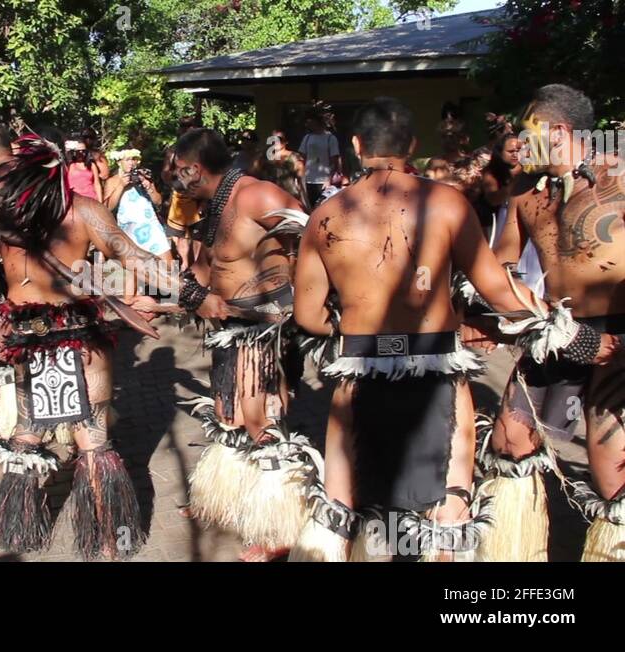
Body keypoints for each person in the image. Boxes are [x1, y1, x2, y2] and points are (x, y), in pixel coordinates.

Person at [290, 97, 572, 562]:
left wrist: (350, 323)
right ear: (413, 146)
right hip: (437, 370)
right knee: (447, 515)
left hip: (360, 368)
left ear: (357, 145)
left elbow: (308, 316)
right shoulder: (446, 204)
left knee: (346, 513)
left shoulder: (326, 216)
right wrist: (563, 326)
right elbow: (500, 292)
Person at [0, 133, 174, 560]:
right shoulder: (83, 212)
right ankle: (109, 540)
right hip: (80, 337)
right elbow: (133, 257)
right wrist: (188, 292)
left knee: (28, 433)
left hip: (29, 339)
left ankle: (19, 531)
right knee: (93, 438)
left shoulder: (2, 222)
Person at [478, 84, 625, 562]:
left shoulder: (618, 178)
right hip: (552, 334)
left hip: (616, 338)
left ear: (559, 131)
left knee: (612, 470)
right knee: (512, 441)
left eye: (527, 132)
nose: (518, 144)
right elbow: (499, 268)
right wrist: (503, 315)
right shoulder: (523, 192)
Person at [170, 128, 314, 562]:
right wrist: (159, 302)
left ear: (194, 169)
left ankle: (278, 529)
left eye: (176, 169)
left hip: (264, 327)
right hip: (229, 326)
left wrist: (296, 302)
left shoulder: (257, 196)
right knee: (227, 413)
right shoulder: (214, 206)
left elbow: (321, 235)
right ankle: (226, 500)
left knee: (260, 417)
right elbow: (202, 269)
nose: (171, 177)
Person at [103, 149, 169, 259]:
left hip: (151, 226)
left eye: (134, 159)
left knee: (167, 265)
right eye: (127, 160)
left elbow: (158, 201)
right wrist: (121, 186)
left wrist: (148, 187)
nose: (131, 163)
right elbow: (107, 207)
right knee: (135, 270)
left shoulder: (143, 177)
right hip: (129, 229)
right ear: (119, 162)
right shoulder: (113, 181)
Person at [299, 109, 344, 206]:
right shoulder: (307, 138)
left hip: (323, 180)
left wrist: (329, 179)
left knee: (322, 206)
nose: (308, 123)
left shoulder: (330, 138)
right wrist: (300, 178)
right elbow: (302, 158)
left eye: (310, 120)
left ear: (317, 121)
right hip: (308, 179)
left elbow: (334, 160)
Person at [65, 136, 103, 203]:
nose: (81, 153)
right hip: (74, 199)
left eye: (83, 151)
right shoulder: (69, 165)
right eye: (78, 151)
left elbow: (97, 184)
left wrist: (100, 201)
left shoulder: (91, 165)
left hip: (91, 198)